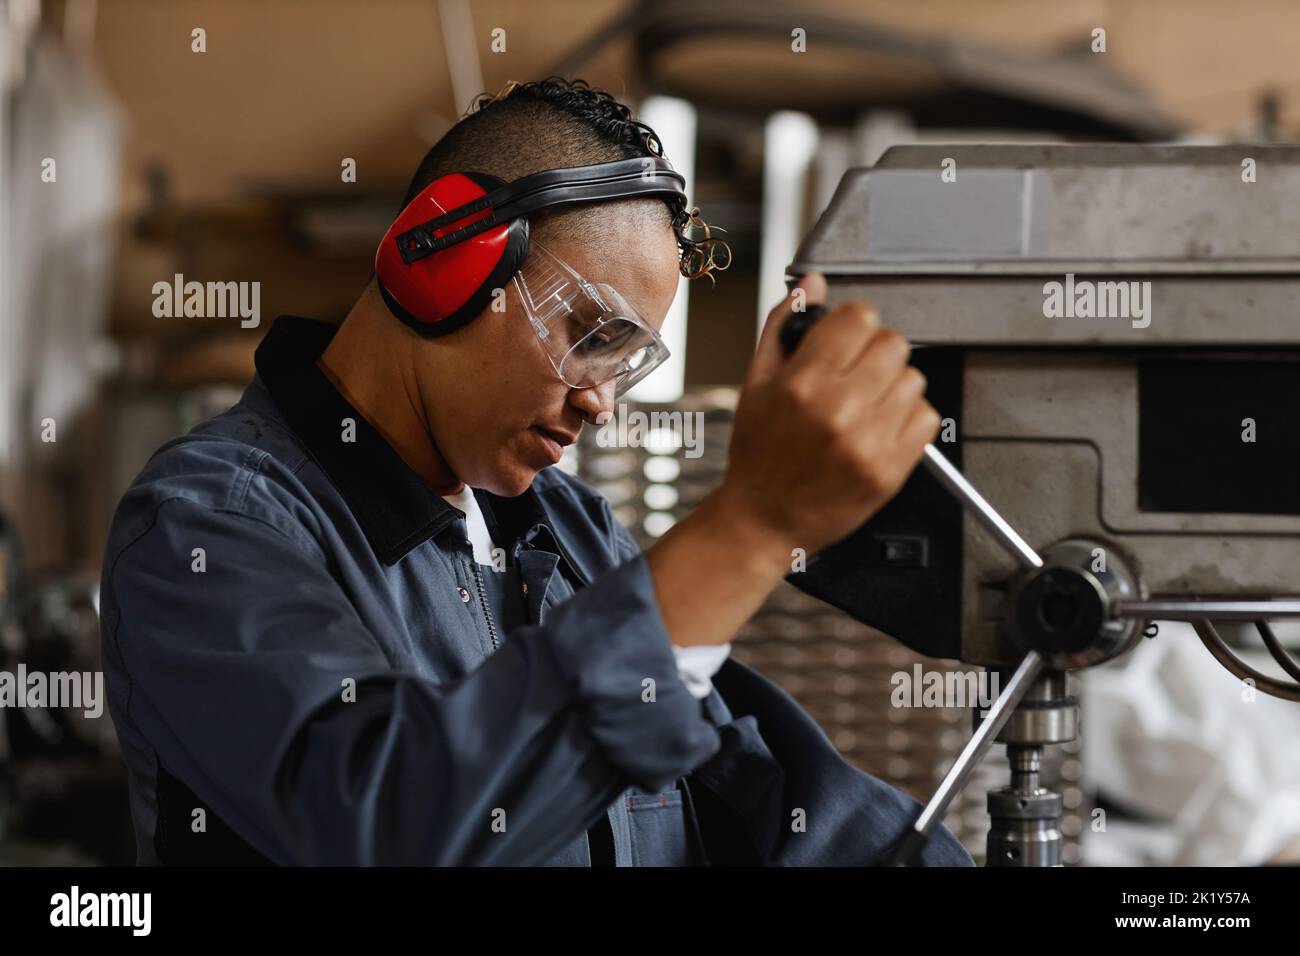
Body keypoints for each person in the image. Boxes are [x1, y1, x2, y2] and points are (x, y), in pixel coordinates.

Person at [99, 77, 968, 866]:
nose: (602, 404)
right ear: (439, 259)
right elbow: (385, 823)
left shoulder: (568, 528)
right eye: (588, 337)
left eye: (626, 365)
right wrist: (750, 529)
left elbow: (760, 790)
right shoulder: (210, 527)